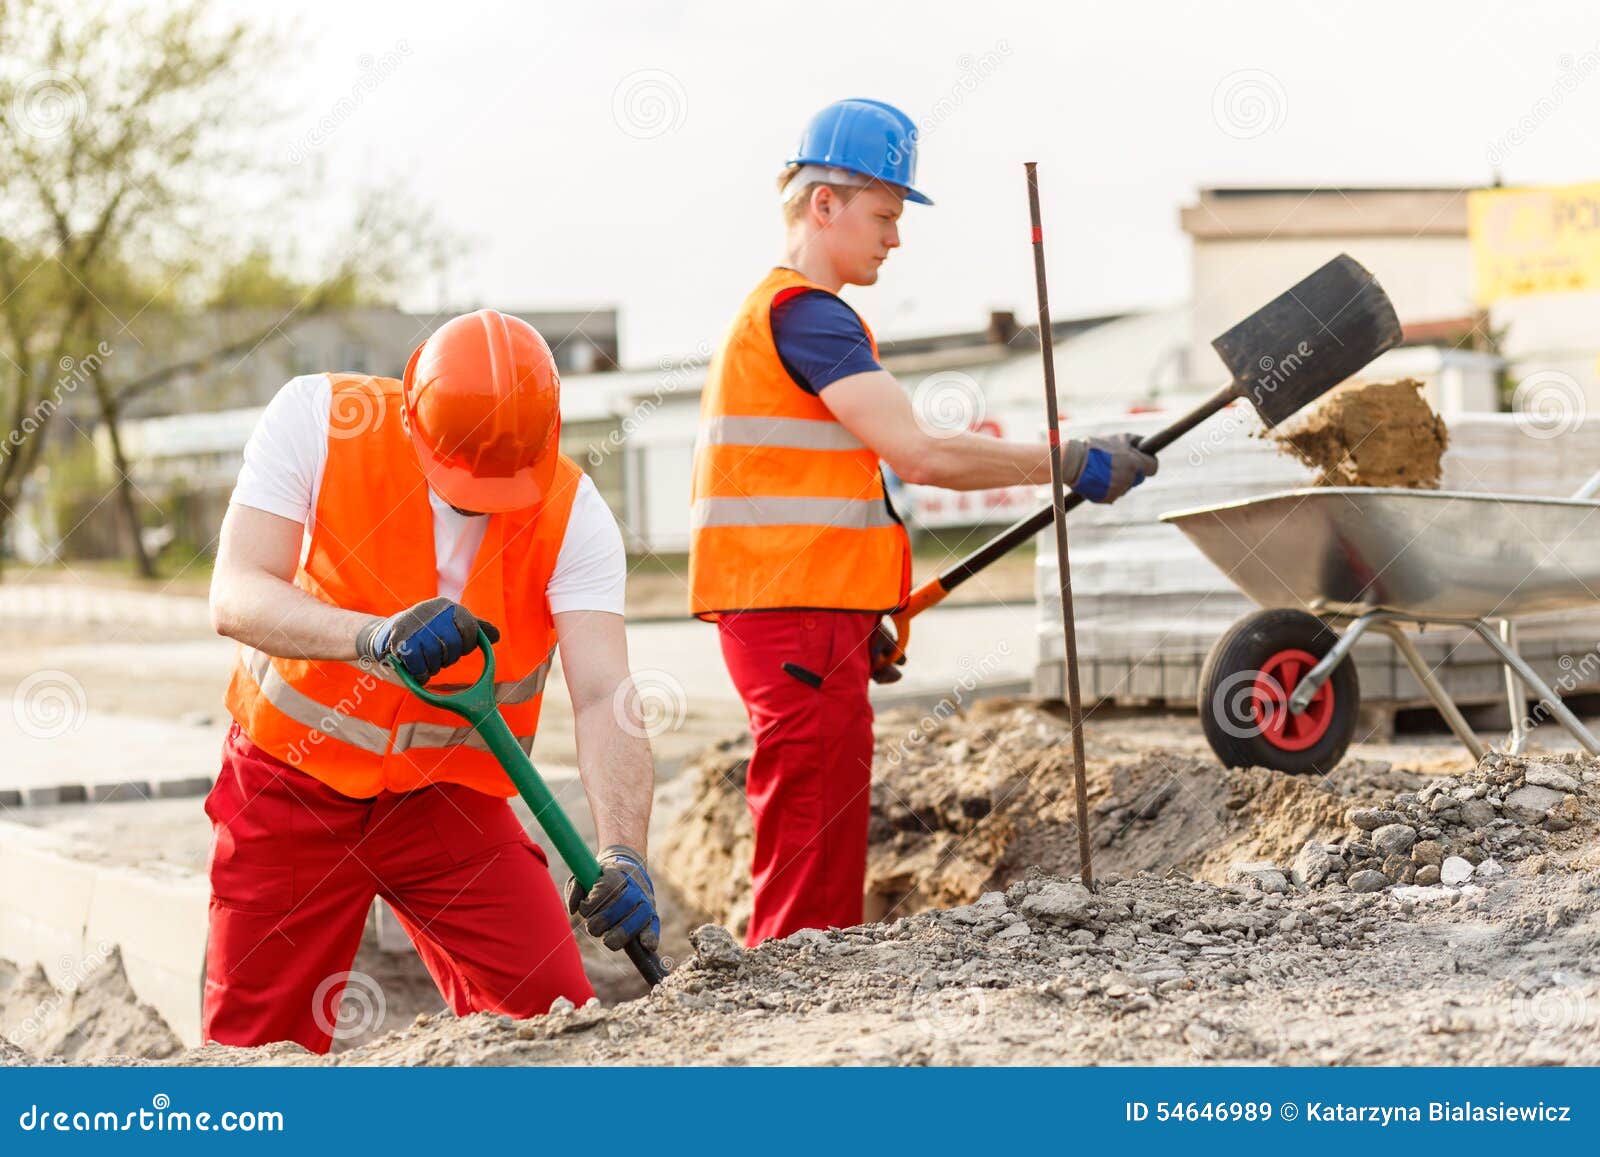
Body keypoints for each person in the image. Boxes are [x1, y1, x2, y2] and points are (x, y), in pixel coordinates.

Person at [688, 98, 1156, 946]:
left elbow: (838, 486)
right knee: (805, 867)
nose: (895, 239)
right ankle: (780, 1031)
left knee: (819, 854)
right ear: (823, 203)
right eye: (884, 214)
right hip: (793, 625)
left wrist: (862, 605)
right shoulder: (807, 316)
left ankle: (808, 1017)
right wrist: (1068, 460)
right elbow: (922, 455)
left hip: (806, 622)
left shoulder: (778, 319)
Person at [205, 309, 659, 1052]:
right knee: (254, 1057)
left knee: (557, 1021)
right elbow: (236, 590)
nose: (477, 500)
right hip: (289, 785)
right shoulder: (318, 419)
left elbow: (607, 691)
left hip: (447, 799)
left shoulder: (574, 514)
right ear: (410, 416)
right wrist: (371, 636)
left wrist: (623, 851)